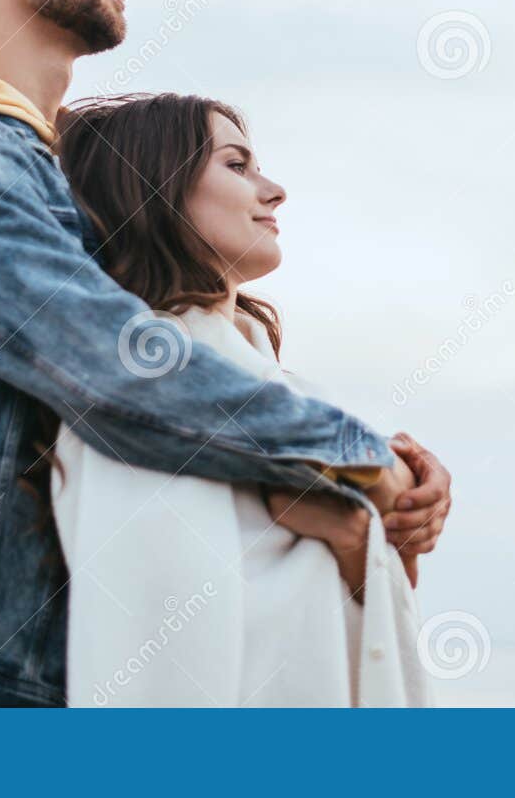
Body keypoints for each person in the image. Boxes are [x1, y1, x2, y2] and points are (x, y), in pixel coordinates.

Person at [0, 0, 452, 706]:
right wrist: (352, 461)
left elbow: (163, 410)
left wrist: (353, 493)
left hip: (63, 674)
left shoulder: (36, 172)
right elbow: (111, 370)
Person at [49, 93, 432, 705]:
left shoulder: (289, 393)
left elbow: (377, 615)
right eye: (236, 165)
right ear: (154, 188)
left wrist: (361, 533)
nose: (274, 191)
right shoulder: (136, 391)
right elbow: (155, 658)